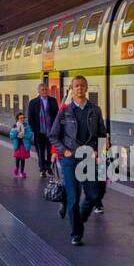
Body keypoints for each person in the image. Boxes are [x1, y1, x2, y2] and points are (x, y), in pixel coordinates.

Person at [48, 75, 106, 246]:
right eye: (76, 86)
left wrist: (98, 152)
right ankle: (76, 234)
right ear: (72, 90)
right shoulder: (64, 111)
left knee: (94, 194)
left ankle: (77, 219)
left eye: (82, 85)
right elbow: (53, 135)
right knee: (73, 198)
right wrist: (63, 150)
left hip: (88, 158)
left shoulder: (95, 110)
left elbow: (102, 134)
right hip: (70, 159)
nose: (79, 88)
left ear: (86, 88)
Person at [25, 83, 59, 178]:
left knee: (50, 152)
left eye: (46, 89)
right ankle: (42, 169)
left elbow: (57, 116)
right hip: (39, 132)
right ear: (39, 91)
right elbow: (30, 117)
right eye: (42, 90)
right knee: (40, 152)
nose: (44, 91)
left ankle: (49, 168)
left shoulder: (53, 101)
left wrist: (56, 129)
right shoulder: (33, 102)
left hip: (51, 132)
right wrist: (34, 129)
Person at [9, 112, 34, 178]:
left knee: (23, 159)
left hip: (24, 145)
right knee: (17, 158)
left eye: (23, 118)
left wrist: (24, 135)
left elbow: (30, 135)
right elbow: (11, 136)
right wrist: (16, 131)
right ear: (17, 119)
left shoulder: (27, 126)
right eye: (21, 118)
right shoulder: (14, 126)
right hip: (17, 145)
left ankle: (22, 172)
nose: (22, 119)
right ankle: (17, 168)